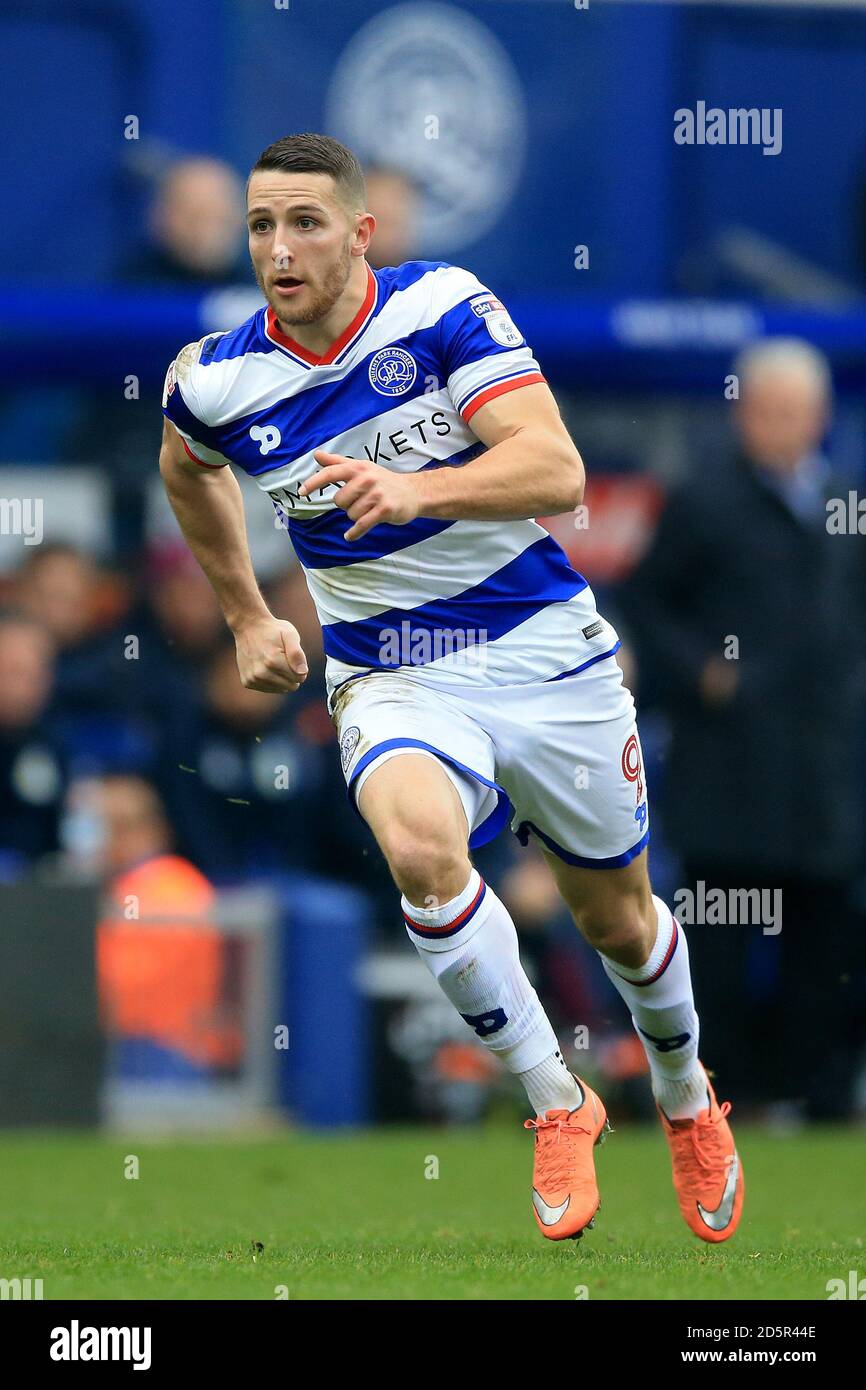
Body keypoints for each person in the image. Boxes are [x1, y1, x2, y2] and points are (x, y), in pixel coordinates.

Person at [158, 132, 743, 1244]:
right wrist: (244, 613)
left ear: (360, 232)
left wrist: (414, 489)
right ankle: (554, 1098)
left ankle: (681, 1091)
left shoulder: (438, 307)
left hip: (541, 649)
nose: (279, 249)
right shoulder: (222, 376)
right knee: (420, 847)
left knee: (616, 920)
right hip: (389, 670)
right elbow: (184, 462)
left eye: (305, 223)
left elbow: (555, 468)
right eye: (260, 226)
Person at [623, 339, 865, 1120]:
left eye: (795, 413)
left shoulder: (845, 501)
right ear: (741, 412)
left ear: (822, 418)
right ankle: (718, 1100)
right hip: (730, 772)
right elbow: (649, 605)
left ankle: (821, 1096)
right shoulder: (704, 501)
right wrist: (703, 672)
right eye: (766, 412)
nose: (780, 427)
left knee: (825, 943)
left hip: (824, 775)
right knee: (721, 944)